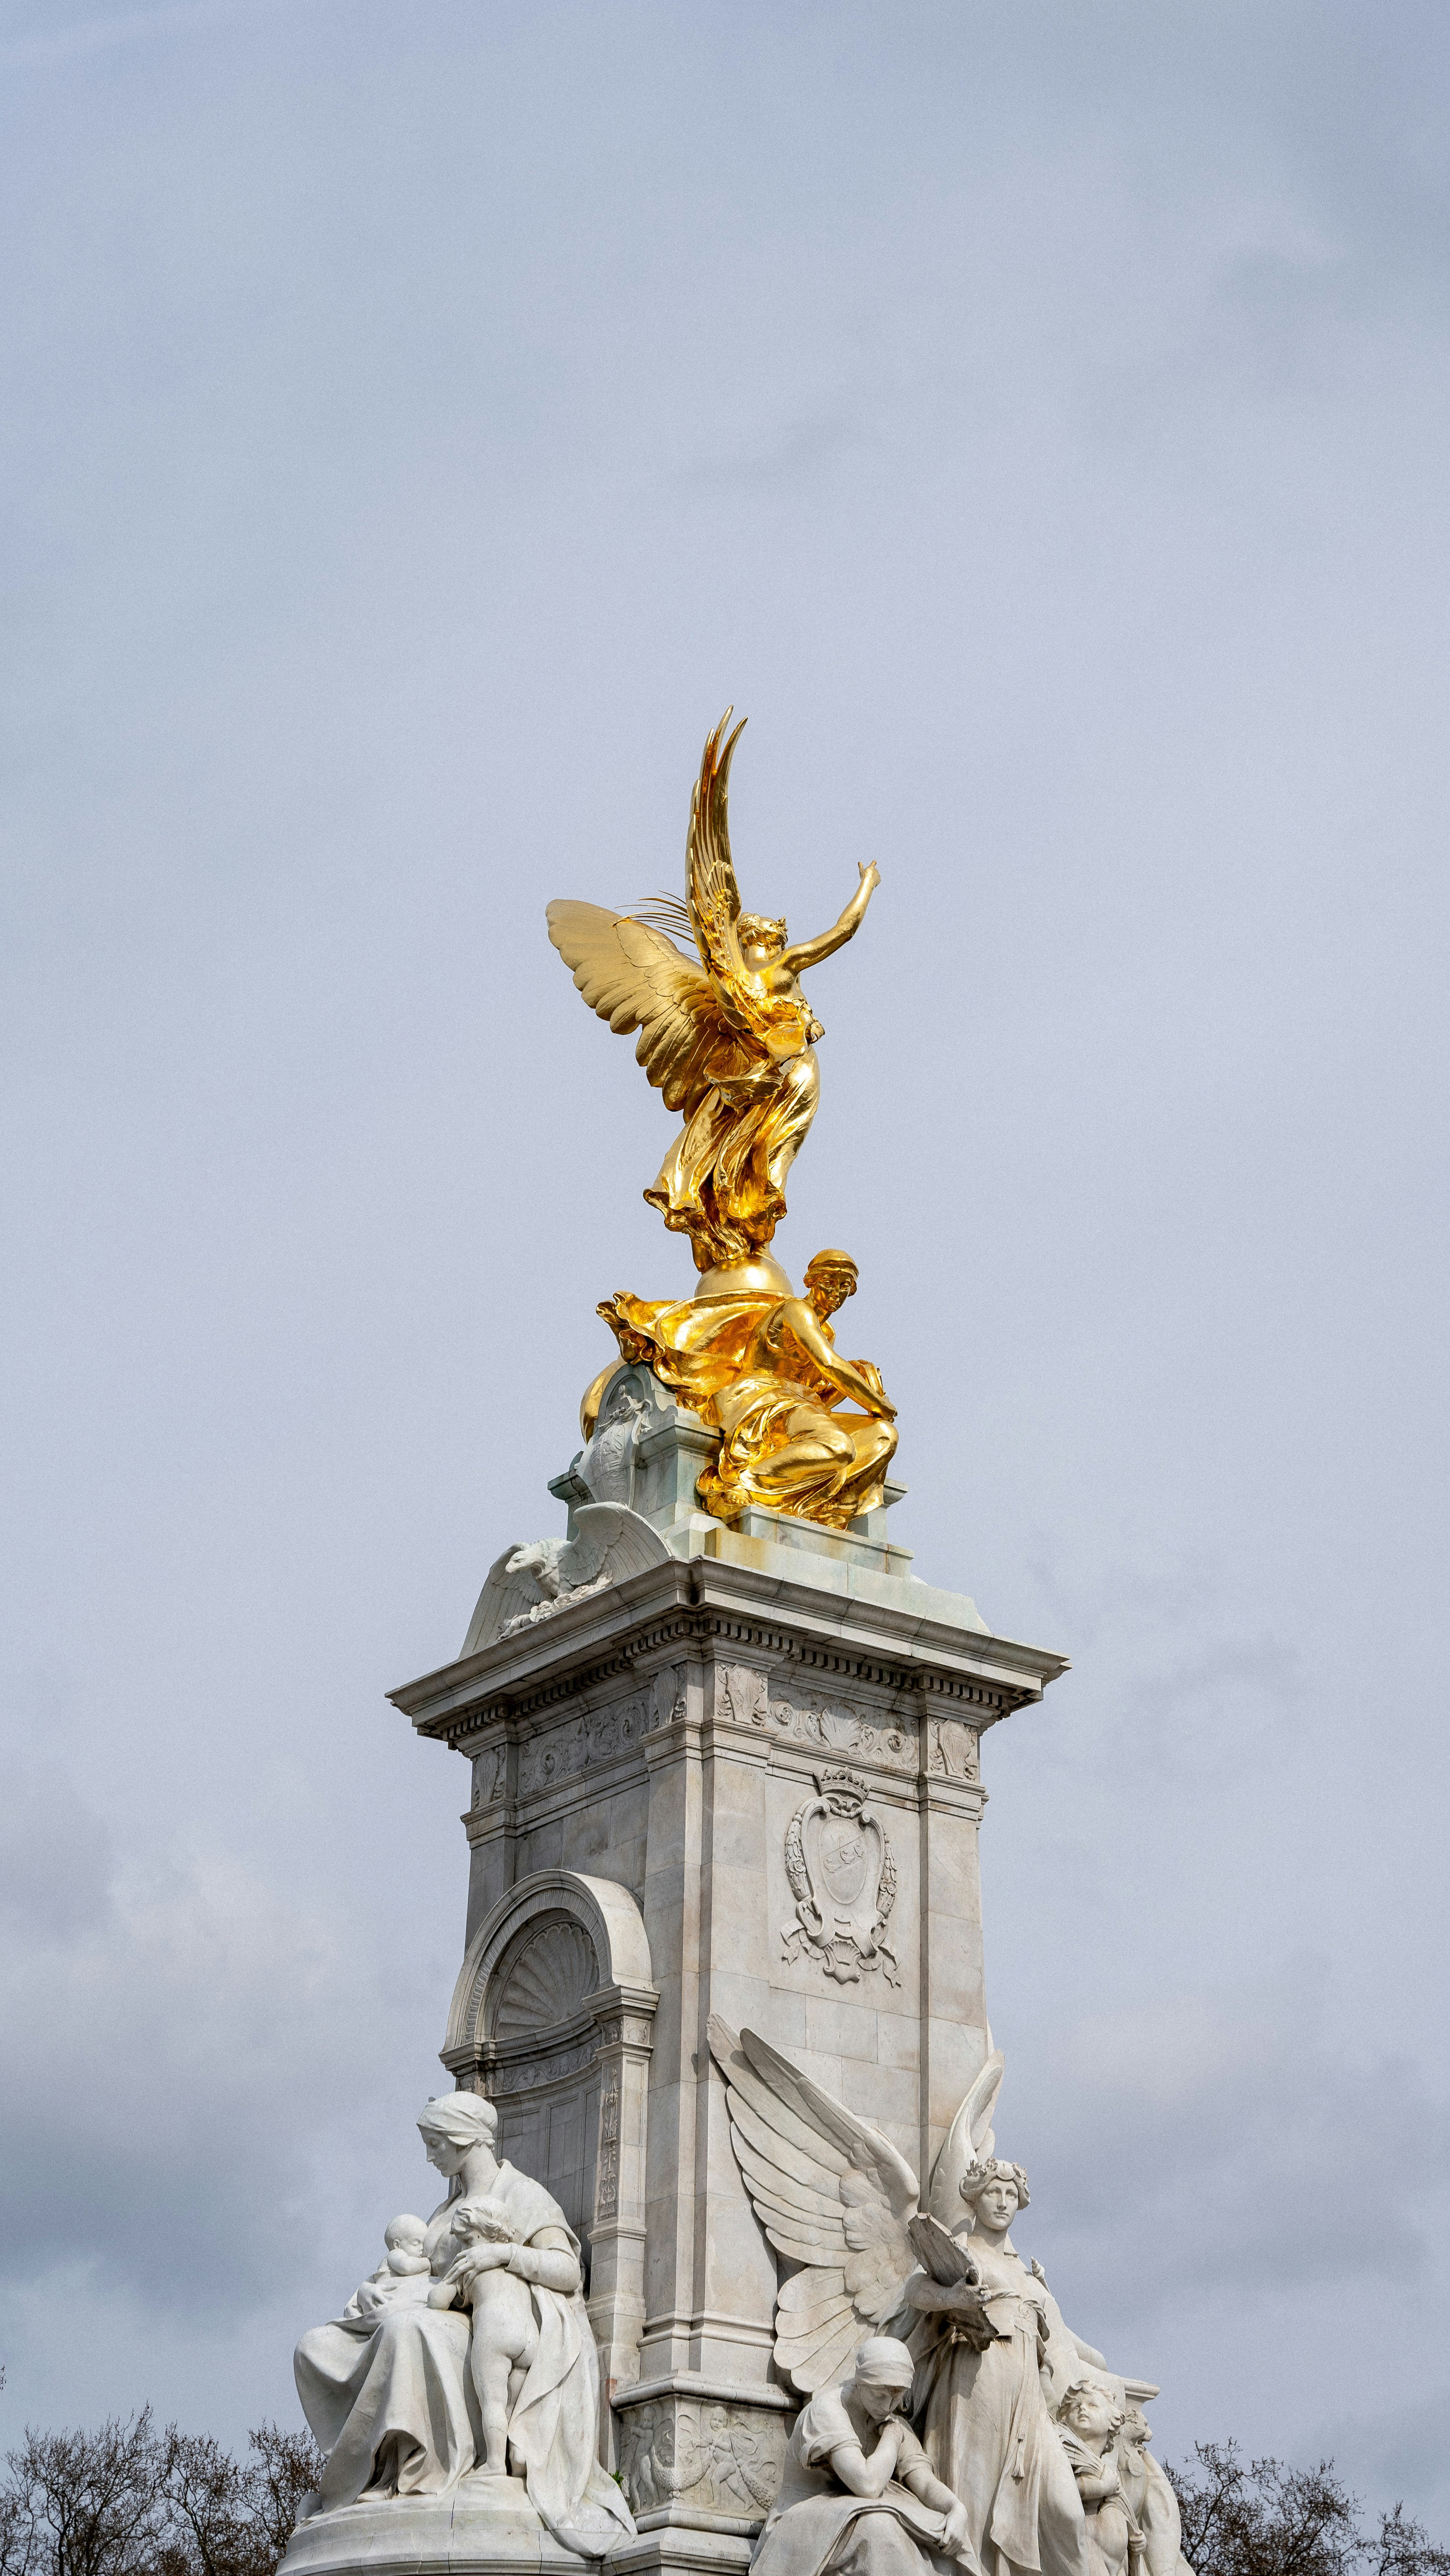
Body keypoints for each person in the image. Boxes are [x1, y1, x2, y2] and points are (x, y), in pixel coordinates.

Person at [293, 2091, 634, 2557]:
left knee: (406, 2332)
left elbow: (567, 2270)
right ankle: (364, 2479)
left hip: (486, 2322)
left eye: (435, 2143)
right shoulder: (442, 2212)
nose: (430, 2155)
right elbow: (426, 2275)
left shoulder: (520, 2193)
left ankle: (414, 2472)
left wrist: (504, 2254)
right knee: (317, 2345)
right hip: (440, 2311)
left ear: (464, 2140)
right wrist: (377, 2288)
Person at [601, 1248, 897, 1530]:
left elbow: (814, 1393)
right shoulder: (797, 1310)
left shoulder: (827, 1331)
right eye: (828, 1282)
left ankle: (825, 1508)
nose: (836, 1291)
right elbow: (829, 1364)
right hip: (758, 1397)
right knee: (839, 1446)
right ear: (810, 1281)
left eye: (844, 1285)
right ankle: (738, 1483)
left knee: (883, 1436)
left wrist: (855, 1381)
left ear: (852, 1291)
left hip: (793, 1403)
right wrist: (877, 1402)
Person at [897, 2159, 1093, 2576]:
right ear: (975, 2196)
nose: (1003, 2202)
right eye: (993, 2192)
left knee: (1065, 2510)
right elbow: (914, 2290)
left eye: (1010, 2194)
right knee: (977, 2496)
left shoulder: (1028, 2271)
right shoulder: (963, 2251)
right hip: (976, 2378)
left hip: (1028, 2396)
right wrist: (956, 2298)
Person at [753, 2337, 980, 2576]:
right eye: (880, 2394)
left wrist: (956, 2509)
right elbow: (868, 2485)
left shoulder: (894, 2422)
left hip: (850, 2514)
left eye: (897, 2395)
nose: (888, 2405)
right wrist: (892, 2438)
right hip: (802, 2519)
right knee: (879, 2527)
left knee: (942, 2534)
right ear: (860, 2382)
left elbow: (923, 2482)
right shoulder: (829, 2411)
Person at [428, 2198, 540, 2477]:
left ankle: (494, 2464)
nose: (464, 2248)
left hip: (496, 2330)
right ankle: (516, 2454)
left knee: (493, 2402)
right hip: (529, 2336)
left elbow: (437, 2302)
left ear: (484, 2233)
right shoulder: (511, 2257)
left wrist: (446, 2282)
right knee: (513, 2405)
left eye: (467, 2240)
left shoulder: (469, 2262)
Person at [341, 2215, 432, 2320]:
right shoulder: (396, 2254)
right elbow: (407, 2267)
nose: (421, 2249)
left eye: (423, 2244)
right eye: (416, 2243)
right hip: (388, 2292)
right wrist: (428, 2263)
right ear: (397, 2245)